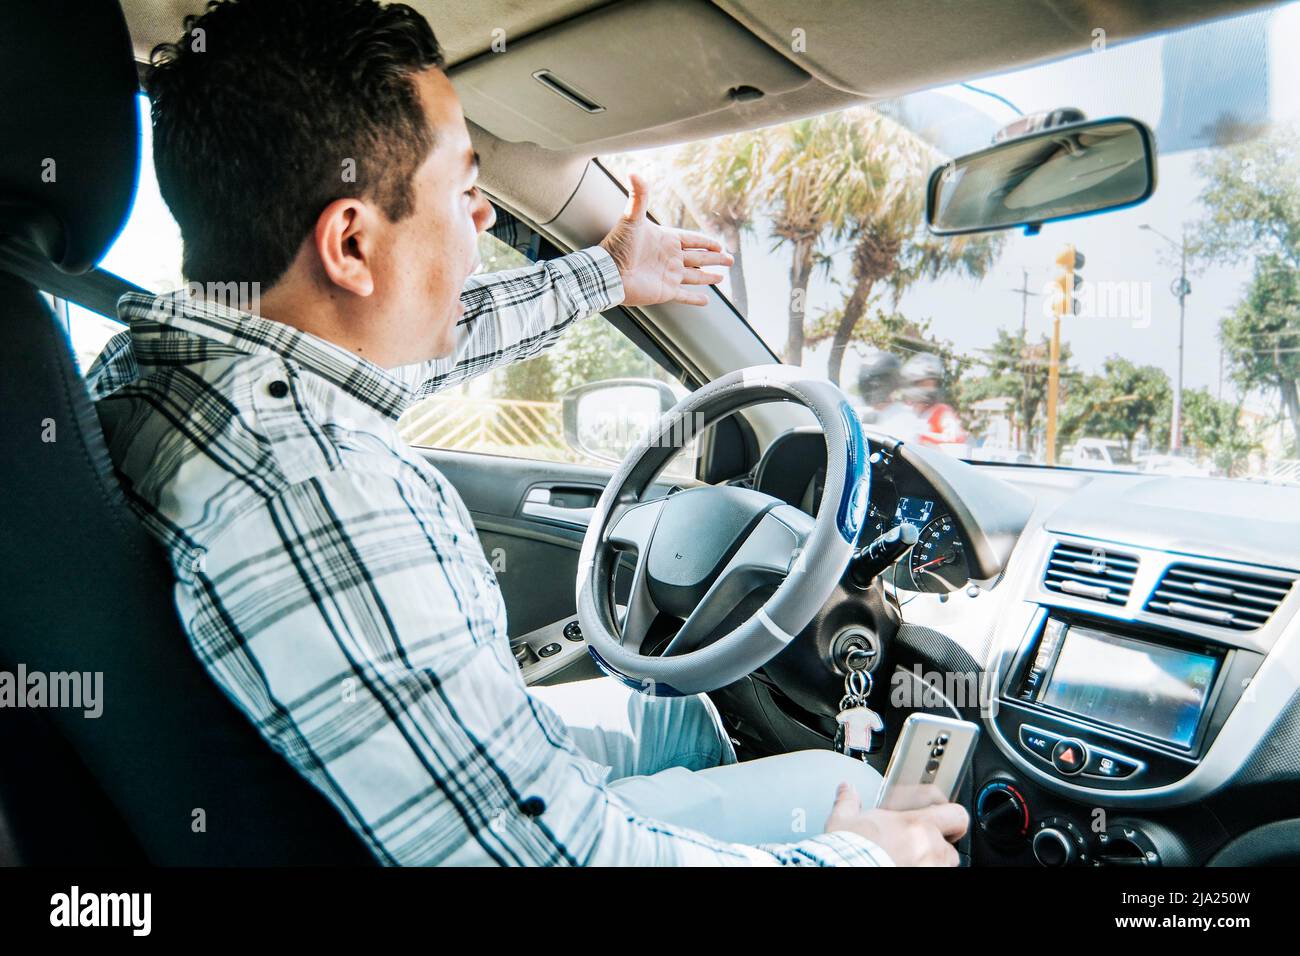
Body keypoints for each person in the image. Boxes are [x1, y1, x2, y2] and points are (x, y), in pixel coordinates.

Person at [87, 0, 965, 866]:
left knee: (680, 718)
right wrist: (859, 857)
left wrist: (609, 274)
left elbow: (420, 341)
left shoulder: (161, 372)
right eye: (467, 190)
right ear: (350, 245)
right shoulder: (327, 490)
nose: (485, 220)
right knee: (842, 793)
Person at [899, 352, 968, 453]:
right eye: (924, 383)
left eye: (932, 384)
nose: (930, 388)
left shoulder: (942, 411)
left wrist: (922, 436)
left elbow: (955, 437)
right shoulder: (905, 410)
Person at [856, 349, 919, 441]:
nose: (869, 388)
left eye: (874, 383)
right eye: (866, 383)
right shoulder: (858, 413)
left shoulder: (905, 419)